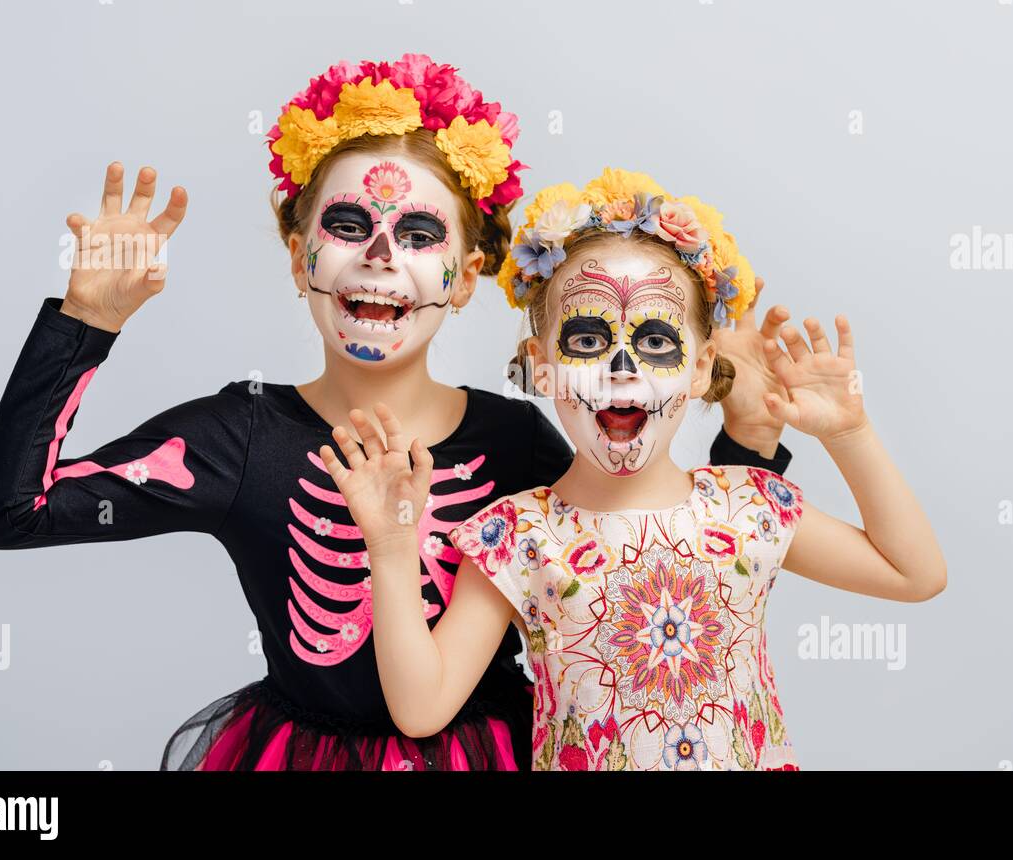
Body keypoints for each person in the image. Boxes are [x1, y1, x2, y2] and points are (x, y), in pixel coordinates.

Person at [0, 61, 795, 770]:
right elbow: (1, 512)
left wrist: (748, 439)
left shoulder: (519, 443)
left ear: (465, 278)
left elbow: (674, 548)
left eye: (419, 233)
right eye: (349, 225)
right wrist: (85, 322)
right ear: (299, 257)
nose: (381, 256)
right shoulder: (239, 437)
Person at [320, 169, 946, 770]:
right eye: (587, 342)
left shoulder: (749, 507)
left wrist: (849, 433)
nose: (622, 367)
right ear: (541, 366)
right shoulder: (515, 536)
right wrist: (392, 544)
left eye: (655, 342)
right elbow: (421, 709)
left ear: (701, 367)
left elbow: (914, 573)